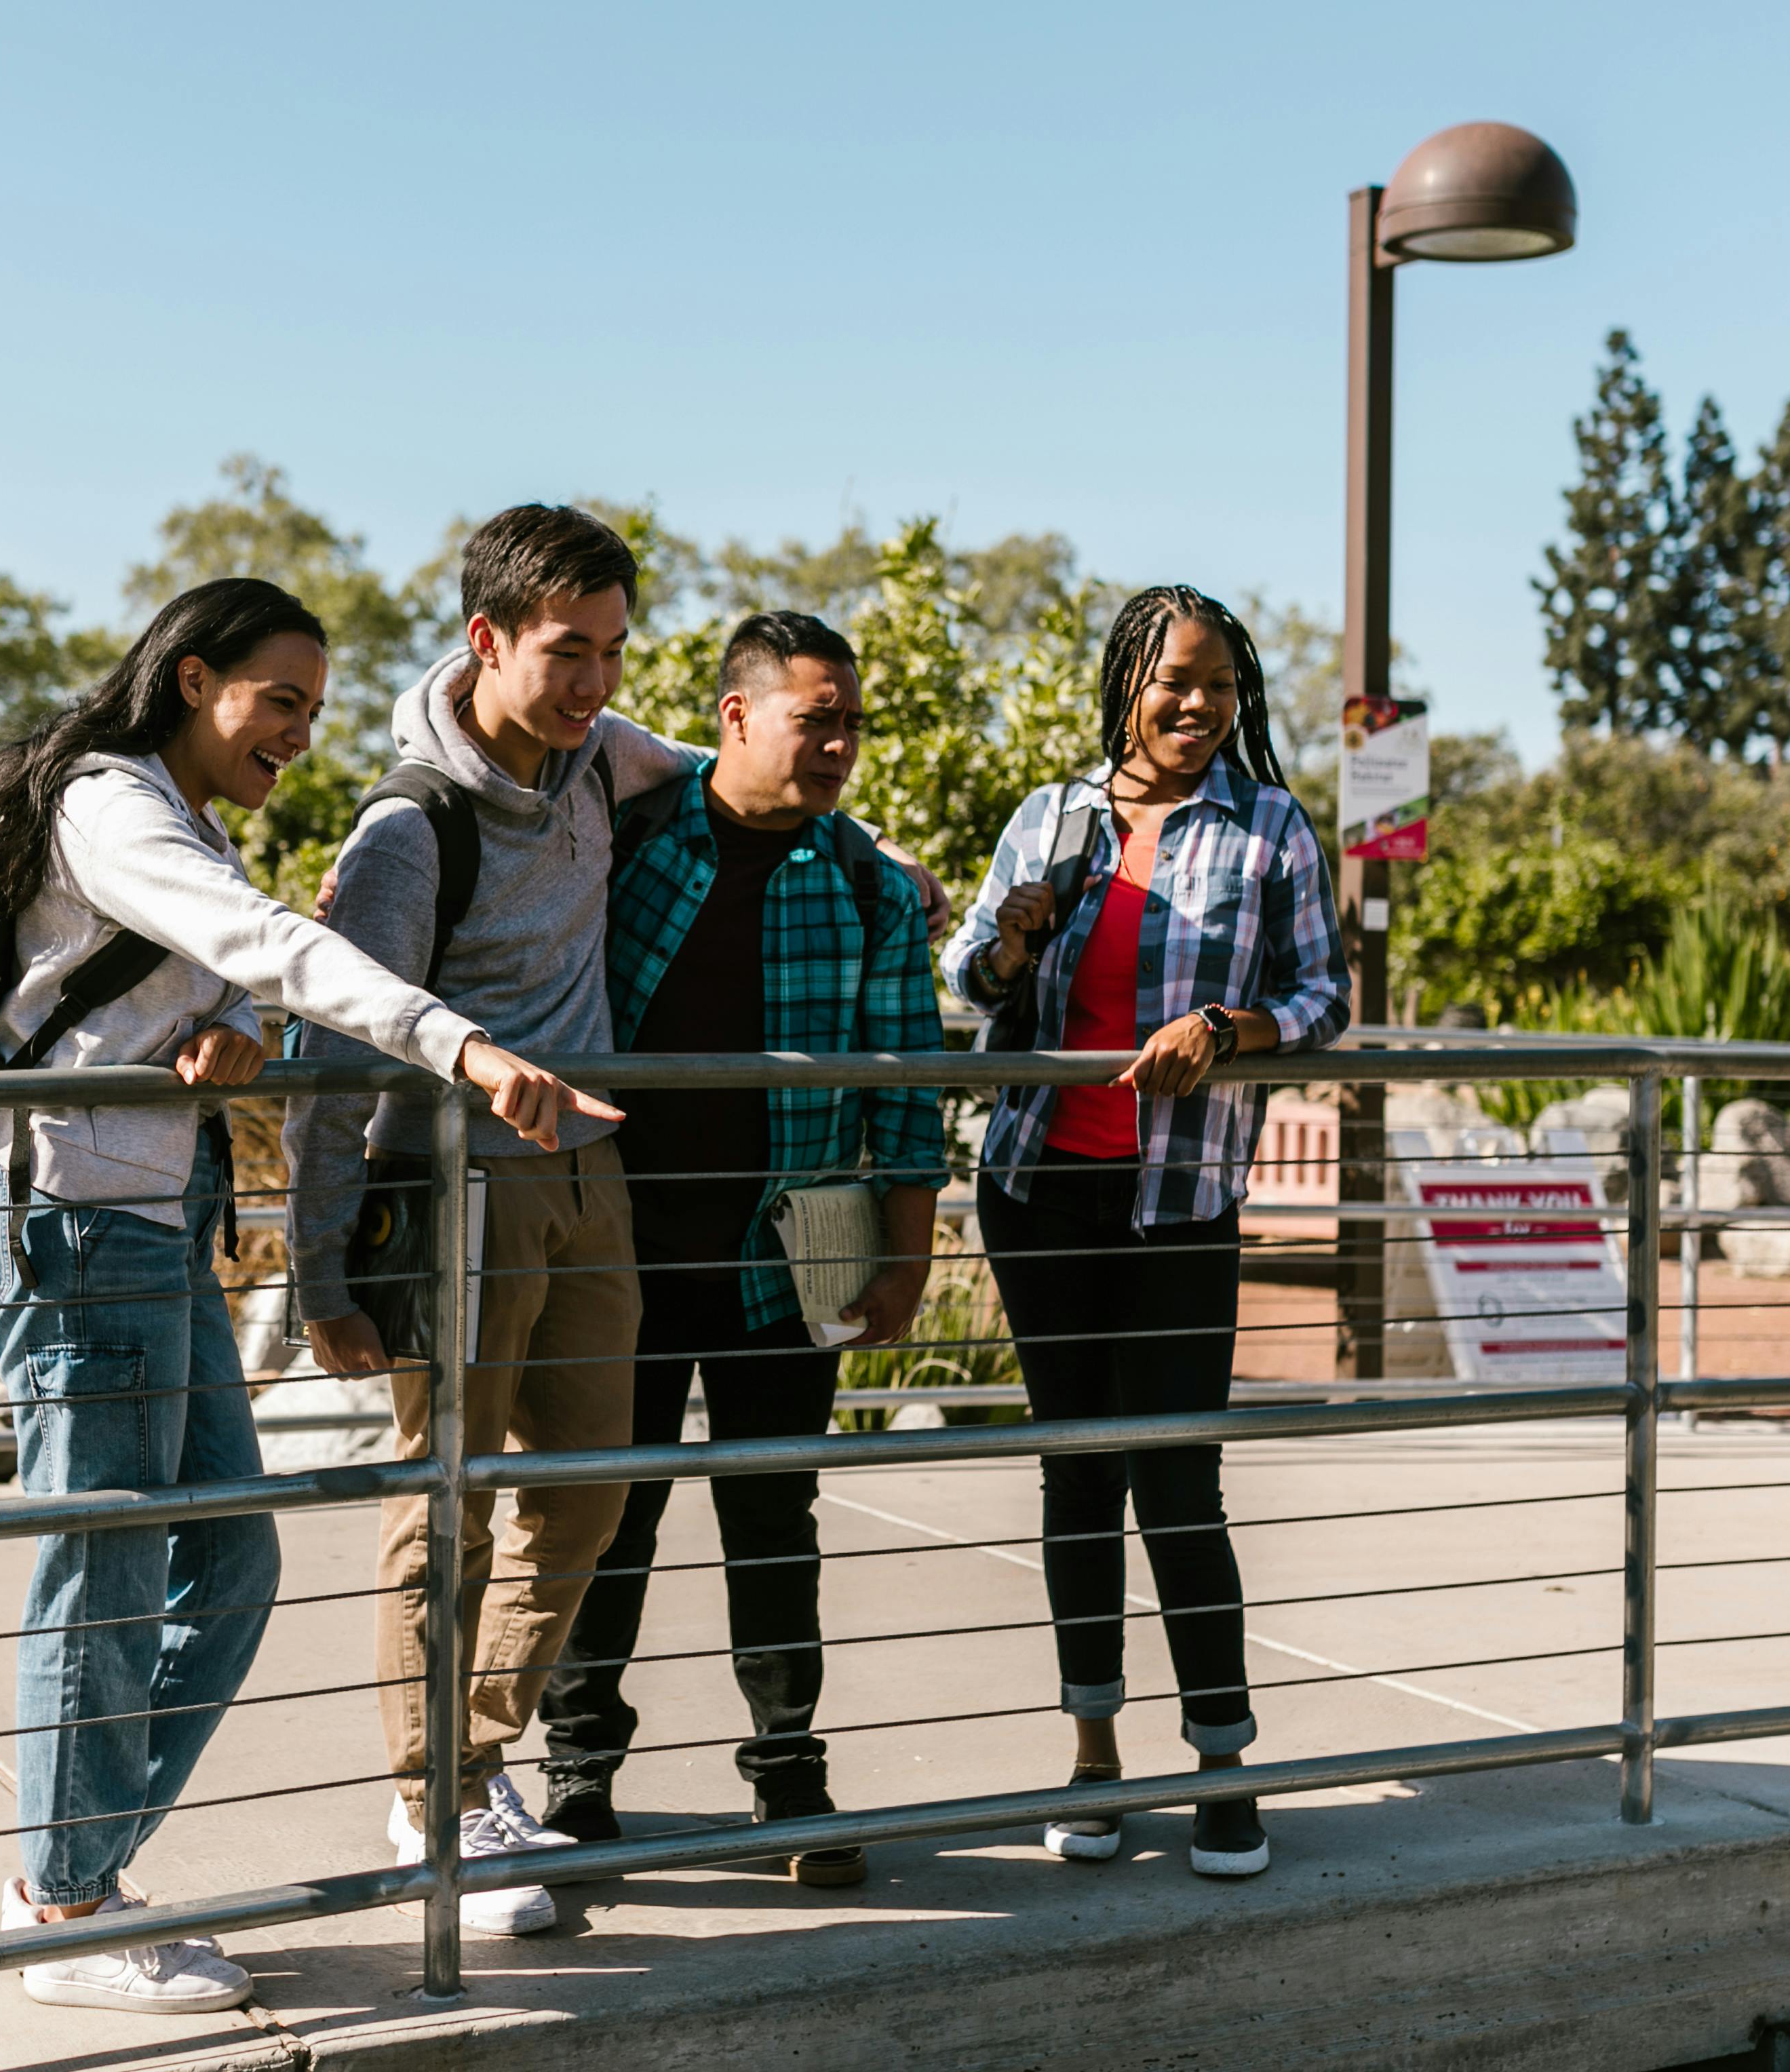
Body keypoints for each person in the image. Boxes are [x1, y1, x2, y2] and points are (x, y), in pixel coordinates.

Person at [0, 576, 609, 2014]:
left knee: (227, 1561)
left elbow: (209, 975)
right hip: (66, 1223)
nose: (297, 731)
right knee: (101, 1569)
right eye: (276, 699)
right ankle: (67, 1900)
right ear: (188, 677)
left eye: (312, 706)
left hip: (149, 1221)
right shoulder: (108, 803)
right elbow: (266, 940)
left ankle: (78, 1861)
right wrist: (459, 1045)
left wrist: (227, 1032)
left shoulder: (178, 814)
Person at [285, 505, 707, 1939]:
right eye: (565, 652)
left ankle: (470, 1755)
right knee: (445, 1494)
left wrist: (863, 837)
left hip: (591, 1170)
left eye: (611, 650)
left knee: (591, 1483)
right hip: (455, 1180)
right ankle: (435, 1796)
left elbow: (720, 770)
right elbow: (334, 1052)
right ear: (486, 640)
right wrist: (317, 1263)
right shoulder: (411, 830)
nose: (594, 681)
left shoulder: (599, 755)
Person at [939, 584, 1346, 1881]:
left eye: (1221, 686)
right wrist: (1008, 942)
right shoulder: (1047, 818)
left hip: (1180, 1200)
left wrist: (1227, 1031)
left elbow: (1322, 995)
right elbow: (965, 981)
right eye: (1176, 680)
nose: (1198, 705)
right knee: (1075, 1477)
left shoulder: (1270, 825)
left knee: (1177, 1478)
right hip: (1036, 1188)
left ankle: (1225, 1768)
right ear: (1125, 682)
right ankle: (1093, 1759)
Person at [534, 611, 946, 1885]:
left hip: (806, 1238)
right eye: (814, 719)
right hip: (623, 1242)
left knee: (775, 1515)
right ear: (733, 718)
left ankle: (788, 1778)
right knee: (609, 1513)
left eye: (851, 726)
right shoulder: (632, 844)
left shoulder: (871, 886)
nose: (837, 747)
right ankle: (577, 1776)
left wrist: (905, 1258)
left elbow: (908, 1091)